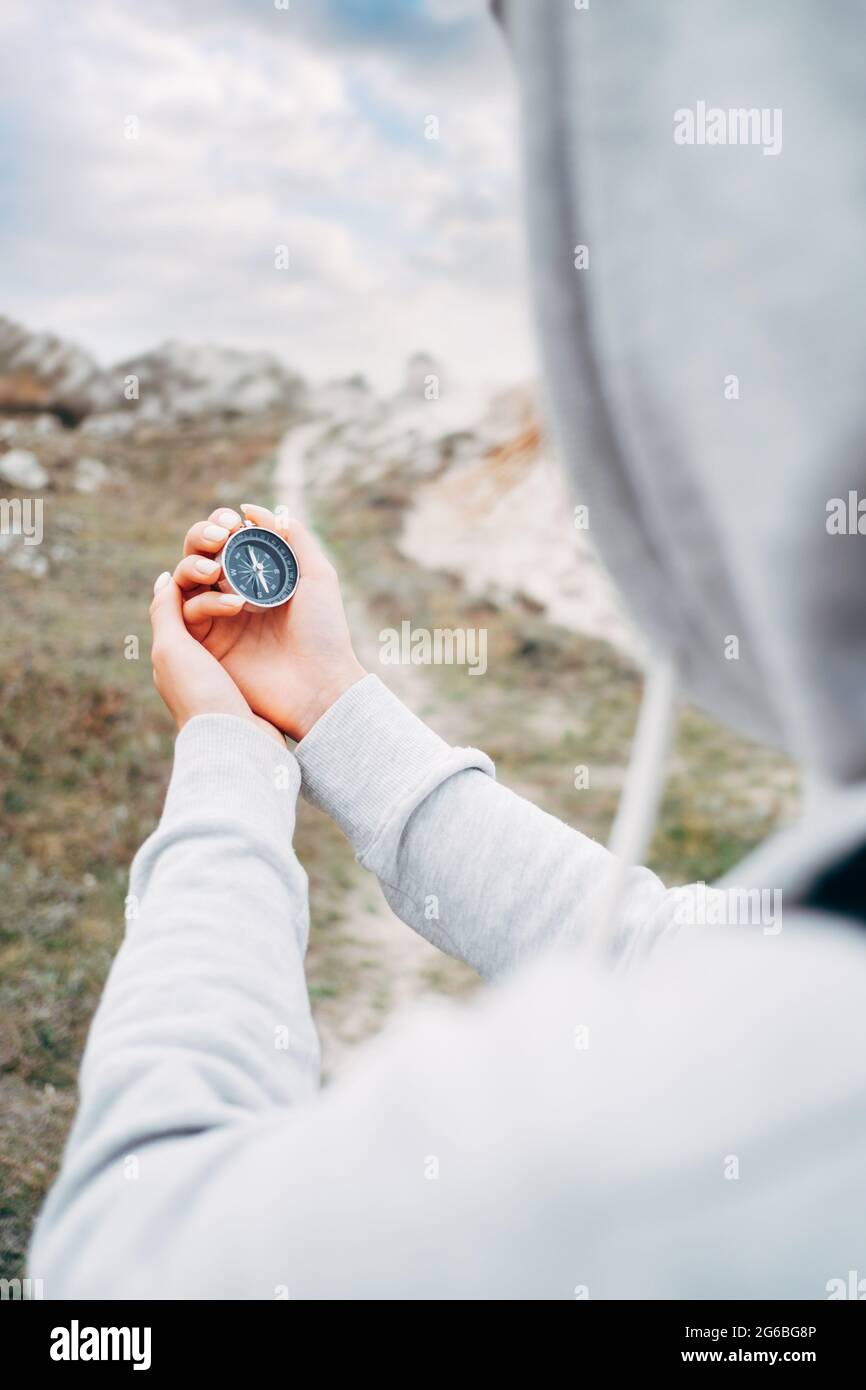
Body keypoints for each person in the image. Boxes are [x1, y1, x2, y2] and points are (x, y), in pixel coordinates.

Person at [30, 1, 866, 1297]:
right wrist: (331, 706)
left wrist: (223, 754)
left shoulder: (741, 1128)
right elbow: (680, 951)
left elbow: (124, 1267)